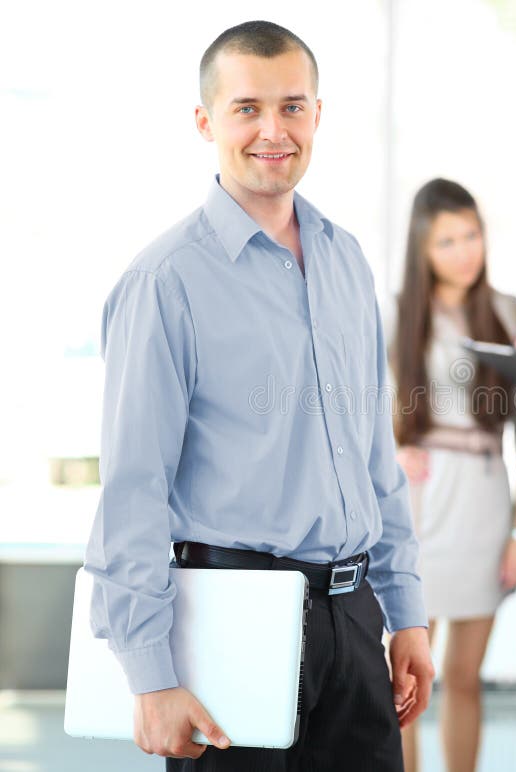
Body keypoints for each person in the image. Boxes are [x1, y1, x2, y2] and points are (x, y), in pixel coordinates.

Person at [83, 20, 433, 771]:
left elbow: (377, 461)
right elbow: (133, 491)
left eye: (292, 106)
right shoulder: (165, 282)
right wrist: (150, 676)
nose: (273, 130)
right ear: (206, 121)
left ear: (316, 116)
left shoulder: (346, 262)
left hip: (354, 617)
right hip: (229, 628)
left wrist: (407, 615)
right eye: (247, 108)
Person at [386, 178, 516, 772]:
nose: (464, 251)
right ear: (422, 248)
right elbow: (349, 407)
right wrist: (389, 453)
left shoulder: (511, 312)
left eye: (471, 234)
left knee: (463, 677)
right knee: (402, 680)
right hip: (418, 504)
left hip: (484, 499)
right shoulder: (399, 311)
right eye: (447, 240)